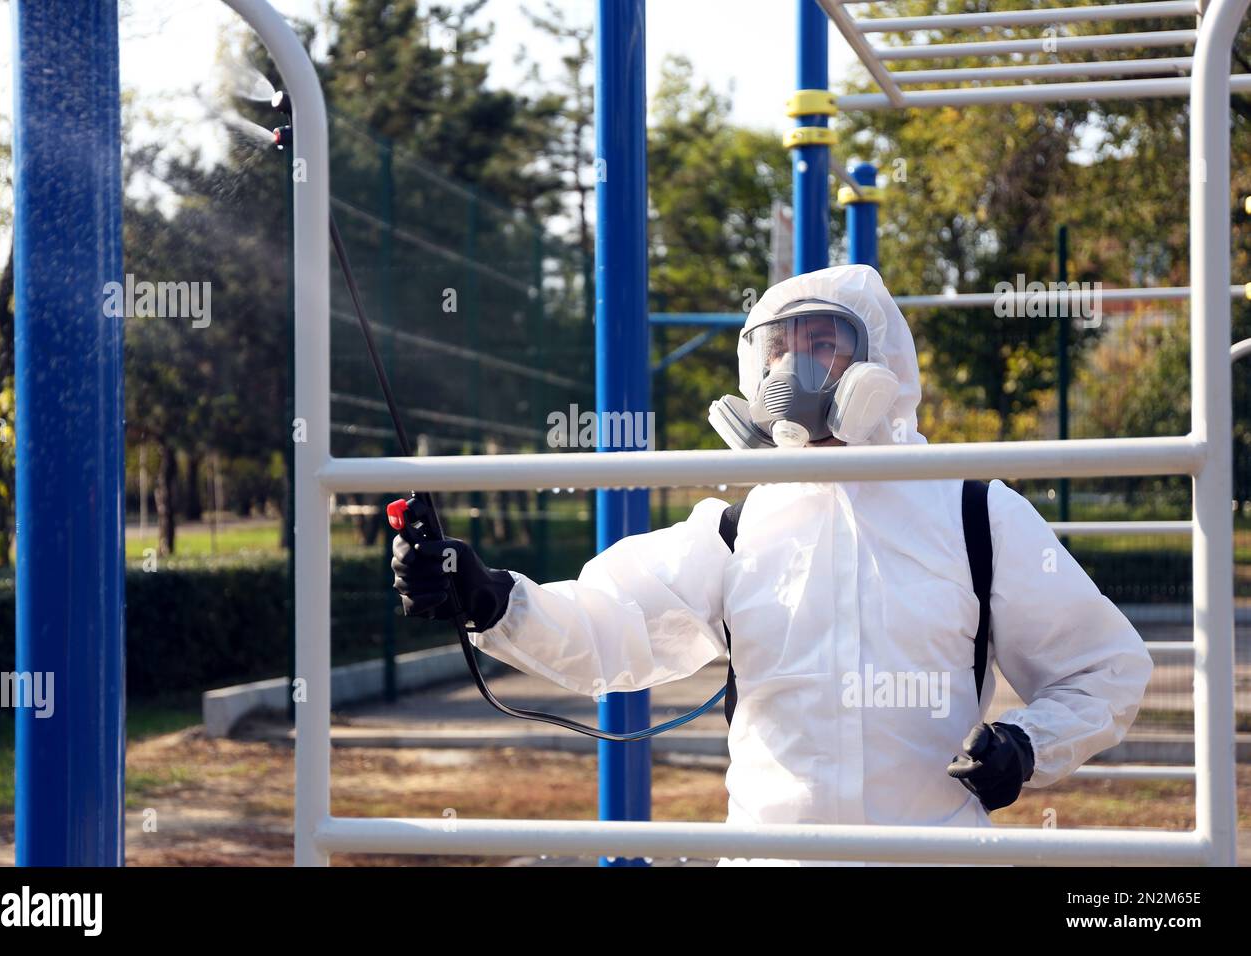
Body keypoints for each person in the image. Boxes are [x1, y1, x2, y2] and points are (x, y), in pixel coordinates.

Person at [391, 264, 1153, 866]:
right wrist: (492, 598)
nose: (797, 371)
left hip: (939, 854)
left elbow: (1105, 667)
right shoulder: (738, 529)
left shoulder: (975, 513)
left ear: (878, 364)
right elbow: (609, 625)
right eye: (779, 349)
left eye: (823, 344)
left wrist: (1026, 746)